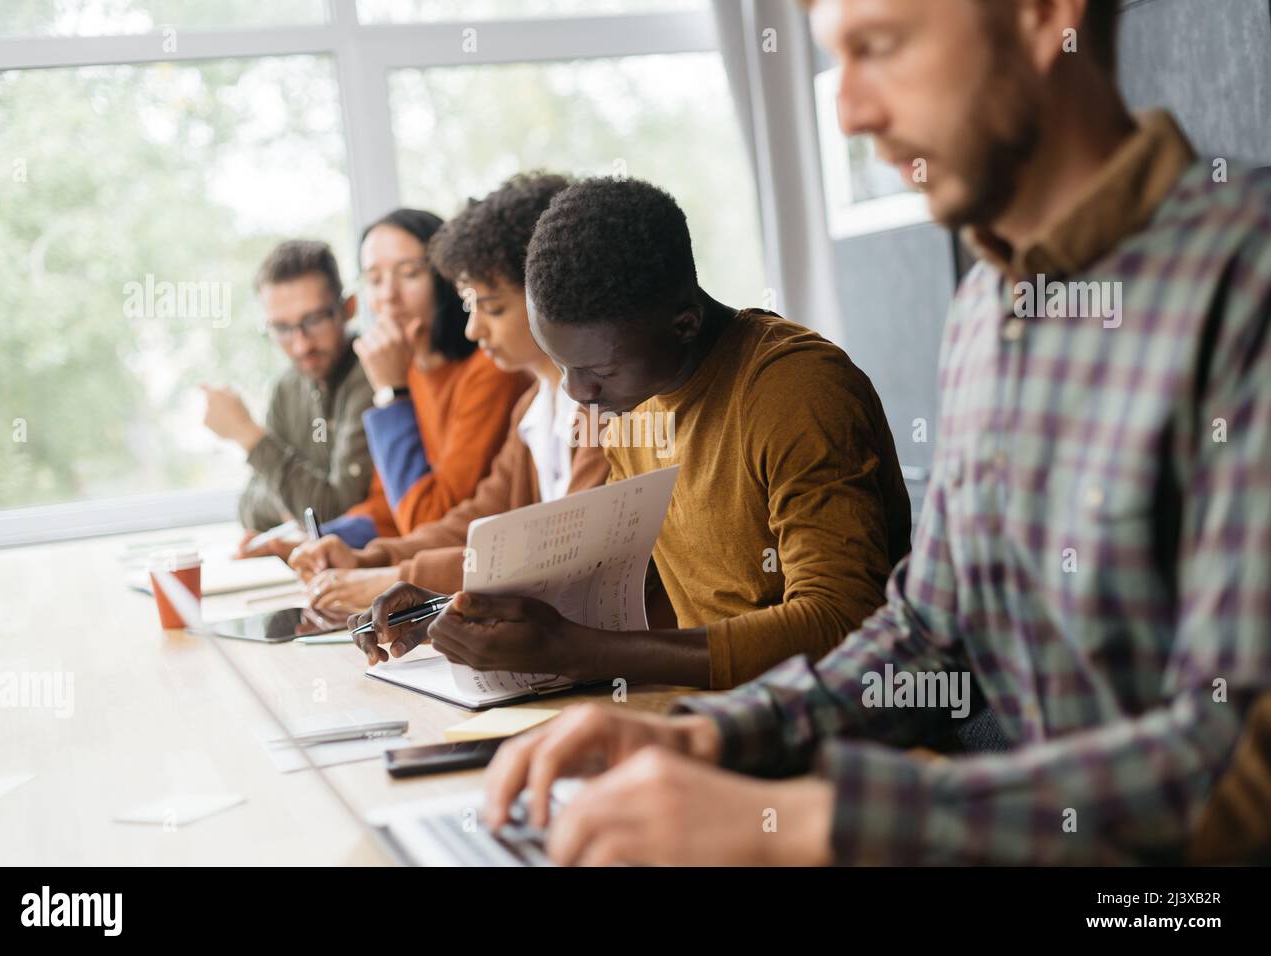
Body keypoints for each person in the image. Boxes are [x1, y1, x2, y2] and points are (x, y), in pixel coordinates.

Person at [477, 0, 1271, 865]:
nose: (848, 111)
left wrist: (810, 826)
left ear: (1046, 18)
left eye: (881, 46)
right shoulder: (983, 313)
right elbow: (927, 638)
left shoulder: (1246, 286)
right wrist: (708, 738)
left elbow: (1232, 766)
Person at [357, 175, 912, 691]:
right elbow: (606, 588)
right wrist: (452, 613)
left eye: (598, 371)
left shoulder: (797, 391)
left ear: (685, 323)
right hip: (716, 712)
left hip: (831, 730)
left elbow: (840, 624)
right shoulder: (624, 402)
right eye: (560, 363)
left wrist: (584, 652)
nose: (577, 394)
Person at [289, 173, 611, 616]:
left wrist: (395, 575)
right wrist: (370, 557)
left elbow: (554, 553)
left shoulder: (594, 408)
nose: (474, 326)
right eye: (374, 279)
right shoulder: (533, 405)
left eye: (492, 307)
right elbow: (478, 521)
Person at [315, 209, 529, 559]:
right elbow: (389, 507)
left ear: (446, 281)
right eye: (374, 279)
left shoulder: (490, 371)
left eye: (410, 274)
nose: (388, 296)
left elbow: (429, 523)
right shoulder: (408, 369)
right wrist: (321, 538)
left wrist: (392, 396)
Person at [204, 240, 373, 543]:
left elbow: (335, 513)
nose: (301, 345)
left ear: (348, 309)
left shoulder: (373, 372)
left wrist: (249, 436)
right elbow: (249, 507)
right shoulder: (287, 386)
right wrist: (298, 507)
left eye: (314, 320)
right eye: (281, 328)